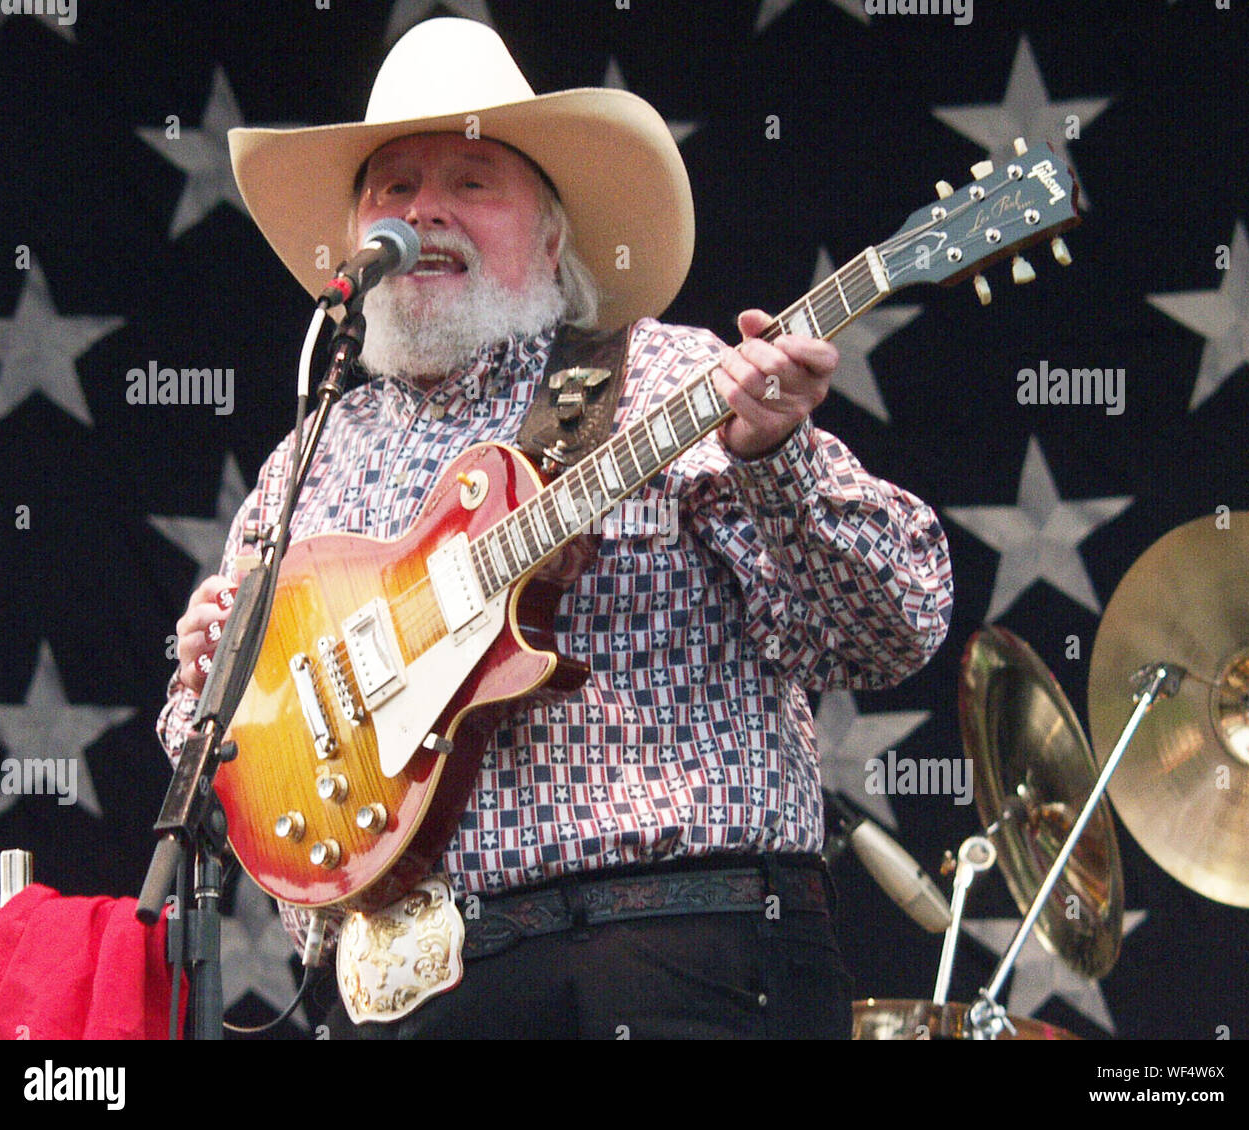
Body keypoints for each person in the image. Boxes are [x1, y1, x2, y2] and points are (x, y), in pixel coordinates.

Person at [157, 18, 953, 1039]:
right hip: (416, 995)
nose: (423, 210)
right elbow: (211, 771)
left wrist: (773, 459)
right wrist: (208, 685)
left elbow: (892, 624)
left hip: (679, 953)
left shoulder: (667, 378)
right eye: (391, 187)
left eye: (471, 179)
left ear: (551, 233)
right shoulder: (308, 460)